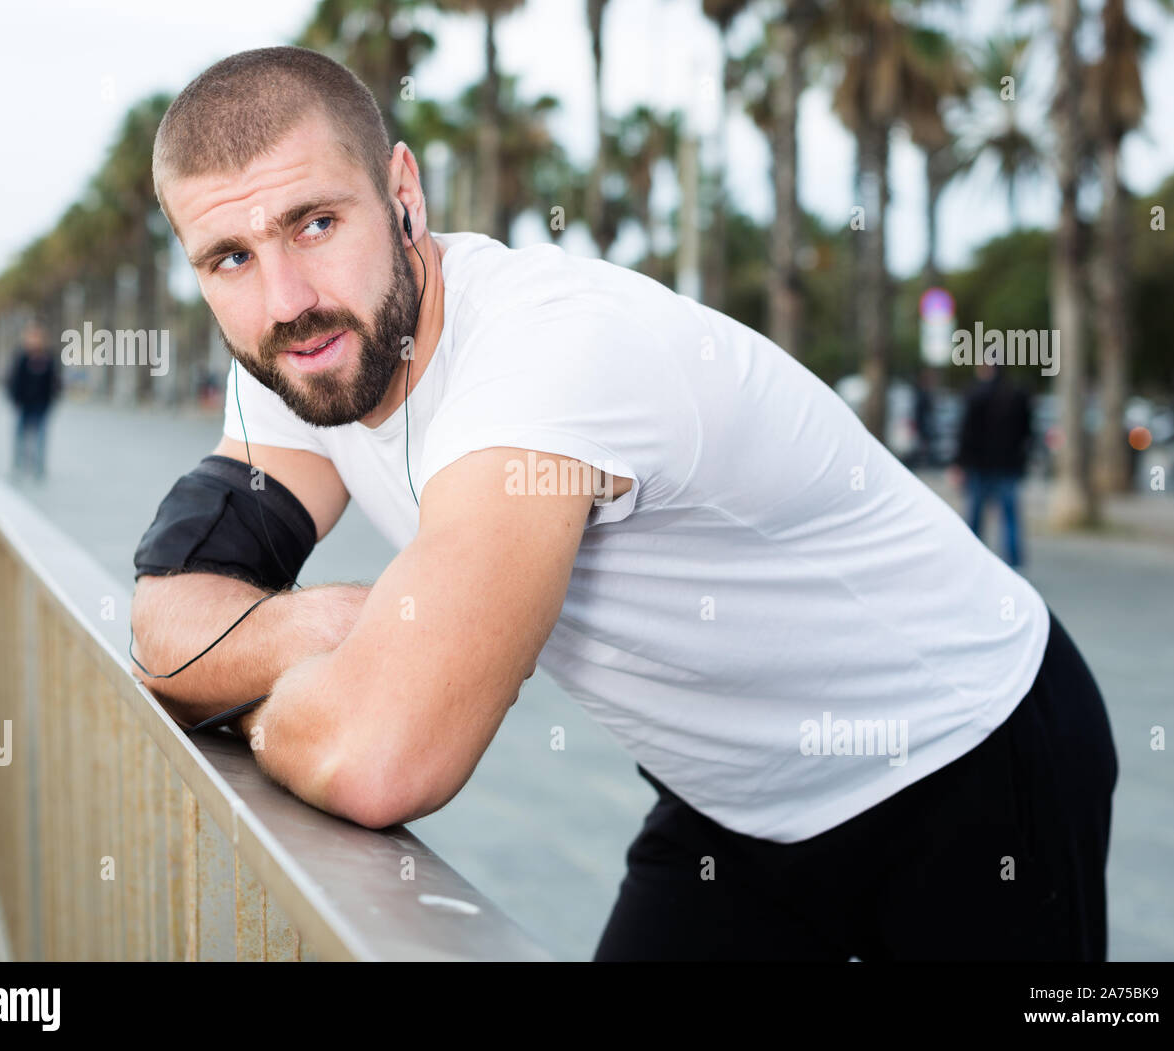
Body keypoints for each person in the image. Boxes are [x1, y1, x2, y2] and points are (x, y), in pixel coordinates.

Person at [130, 47, 1118, 962]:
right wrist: (321, 628)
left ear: (401, 193)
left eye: (315, 223)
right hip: (729, 803)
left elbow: (382, 756)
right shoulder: (297, 358)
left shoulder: (538, 364)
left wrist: (251, 697)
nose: (285, 296)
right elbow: (168, 613)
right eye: (230, 257)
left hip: (969, 756)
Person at [953, 364, 1034, 568]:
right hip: (1008, 465)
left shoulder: (975, 394)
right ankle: (1013, 561)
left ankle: (972, 559)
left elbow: (966, 433)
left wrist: (960, 462)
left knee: (975, 517)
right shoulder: (1017, 394)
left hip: (980, 466)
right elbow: (1027, 432)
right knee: (1009, 517)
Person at [6, 320, 62, 479]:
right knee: (20, 436)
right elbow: (14, 380)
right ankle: (19, 465)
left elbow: (54, 381)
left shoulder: (48, 357)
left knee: (40, 437)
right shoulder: (22, 357)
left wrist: (53, 399)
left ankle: (38, 468)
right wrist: (15, 399)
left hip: (42, 404)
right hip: (23, 404)